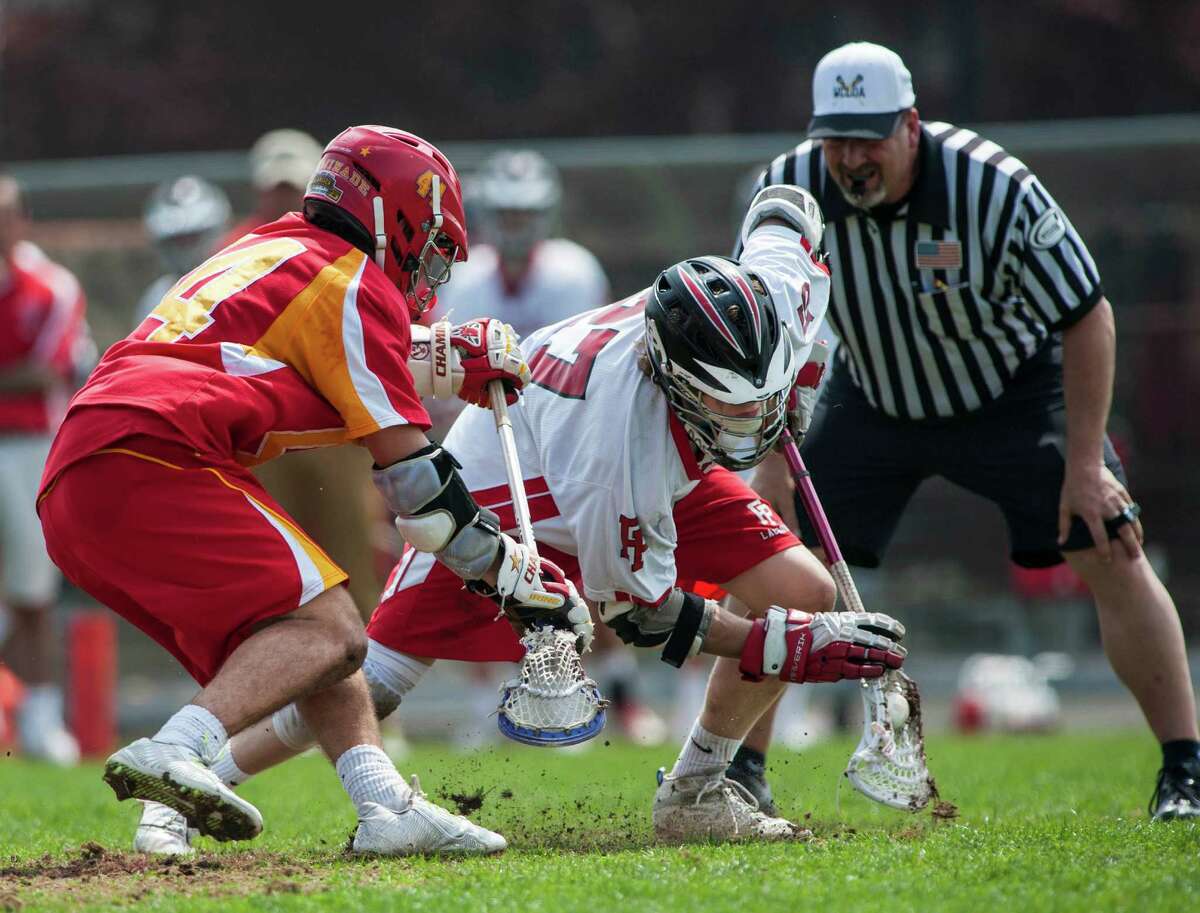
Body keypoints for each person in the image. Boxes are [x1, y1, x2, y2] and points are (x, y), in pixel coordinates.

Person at [130, 184, 910, 854]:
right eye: (725, 405)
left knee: (803, 588)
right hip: (515, 469)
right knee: (370, 680)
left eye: (755, 398)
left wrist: (798, 377)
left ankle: (698, 791)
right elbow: (636, 617)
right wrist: (785, 649)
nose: (747, 423)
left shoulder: (778, 297)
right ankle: (191, 782)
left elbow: (785, 209)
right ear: (671, 376)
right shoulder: (624, 446)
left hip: (671, 463)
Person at [37, 125, 585, 856]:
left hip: (85, 468)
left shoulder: (272, 248)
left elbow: (300, 358)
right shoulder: (351, 277)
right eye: (432, 244)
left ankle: (383, 803)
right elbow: (418, 492)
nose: (432, 268)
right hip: (154, 449)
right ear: (398, 217)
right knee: (333, 627)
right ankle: (178, 746)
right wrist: (515, 575)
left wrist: (448, 361)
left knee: (308, 635)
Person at [735, 41, 1200, 821]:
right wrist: (770, 462)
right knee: (771, 556)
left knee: (1107, 537)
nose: (851, 160)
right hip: (874, 393)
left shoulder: (994, 186)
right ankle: (740, 769)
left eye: (870, 138)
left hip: (1009, 390)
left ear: (912, 125)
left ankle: (1185, 767)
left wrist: (1086, 463)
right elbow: (765, 330)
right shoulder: (788, 191)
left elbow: (1087, 314)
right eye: (837, 140)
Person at [0, 175, 92, 765]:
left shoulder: (50, 286)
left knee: (34, 592)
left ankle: (41, 717)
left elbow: (45, 370)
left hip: (30, 444)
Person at [134, 175, 232, 325]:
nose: (185, 250)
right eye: (178, 240)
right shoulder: (156, 298)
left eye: (192, 238)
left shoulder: (237, 286)